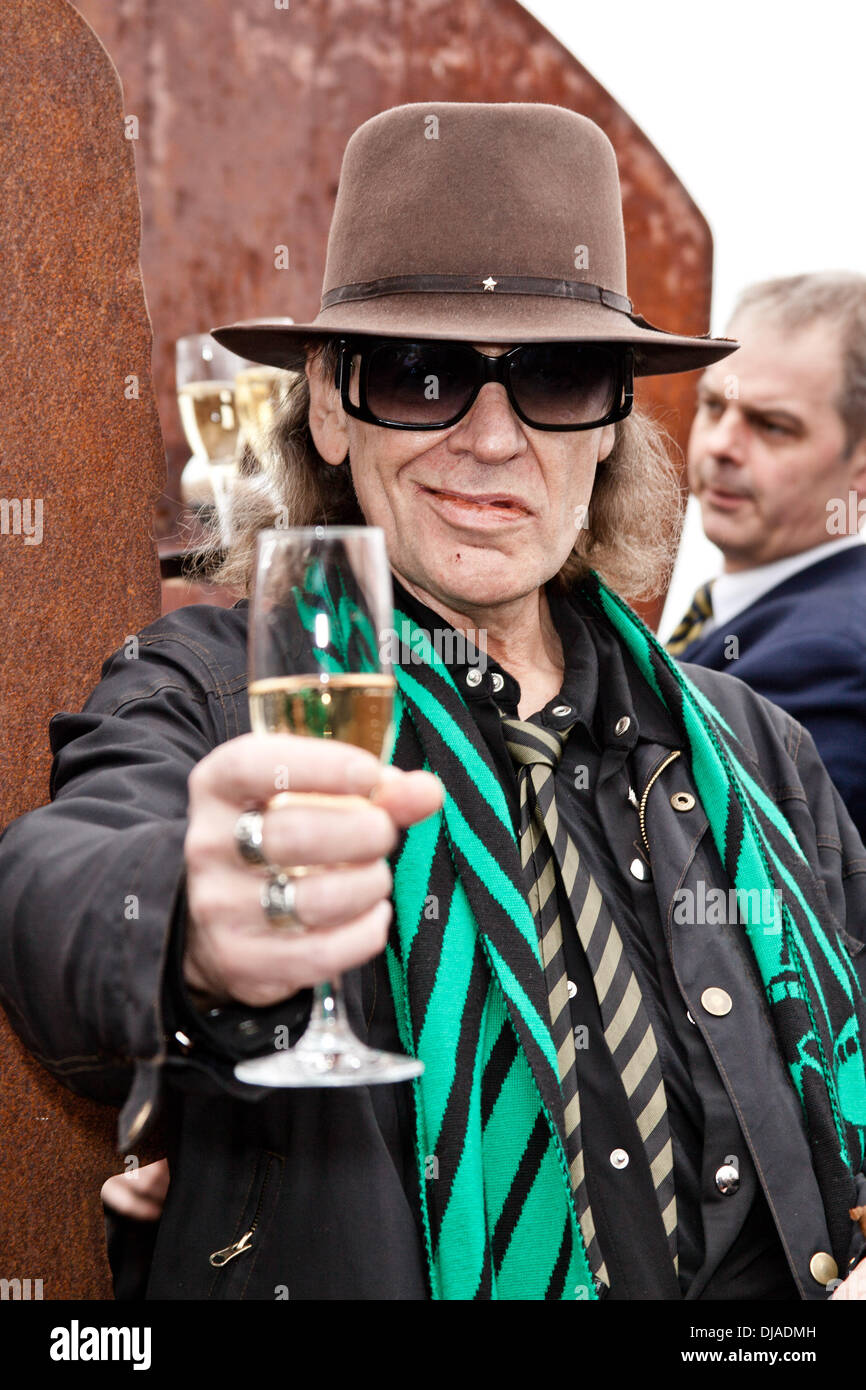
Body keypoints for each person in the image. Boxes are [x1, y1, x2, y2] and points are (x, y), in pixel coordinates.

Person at [2, 102, 866, 1302]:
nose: (492, 438)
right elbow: (55, 886)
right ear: (325, 407)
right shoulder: (217, 688)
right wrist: (195, 929)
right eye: (422, 375)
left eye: (557, 378)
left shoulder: (752, 752)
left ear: (612, 422)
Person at [667, 273, 866, 841]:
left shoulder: (829, 659)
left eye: (774, 426)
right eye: (714, 405)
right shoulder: (756, 611)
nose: (723, 444)